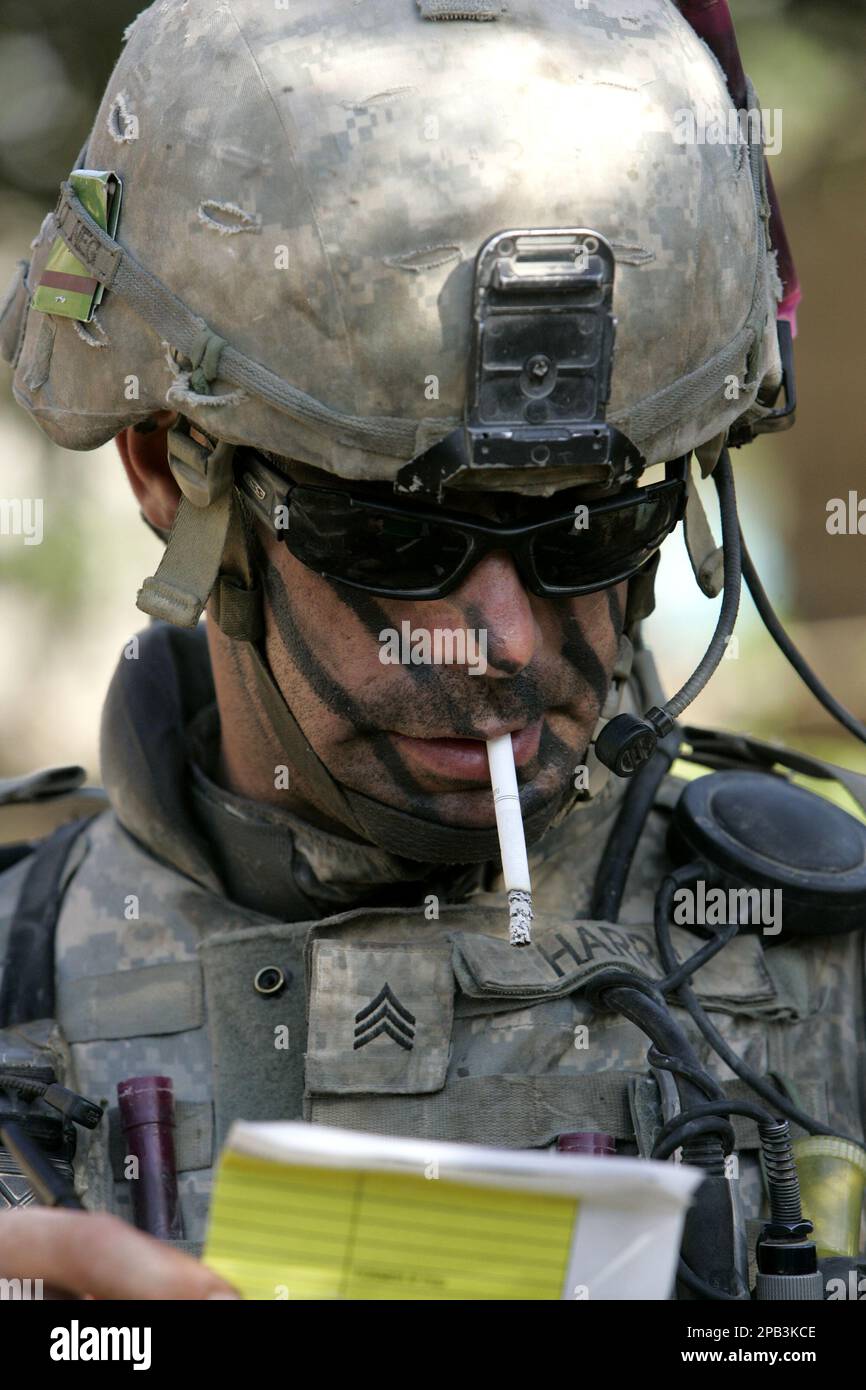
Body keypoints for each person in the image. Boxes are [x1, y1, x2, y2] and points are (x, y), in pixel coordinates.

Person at [0, 0, 863, 1301]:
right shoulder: (22, 968)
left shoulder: (817, 962)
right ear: (166, 476)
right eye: (393, 540)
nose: (501, 640)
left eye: (593, 530)